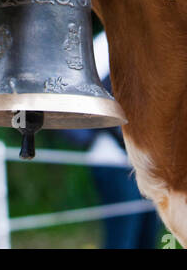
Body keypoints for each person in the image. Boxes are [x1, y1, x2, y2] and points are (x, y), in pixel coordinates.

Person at [63, 32, 161, 249]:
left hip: (146, 163)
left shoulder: (146, 38)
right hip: (113, 160)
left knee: (147, 238)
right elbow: (87, 96)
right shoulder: (103, 44)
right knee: (122, 239)